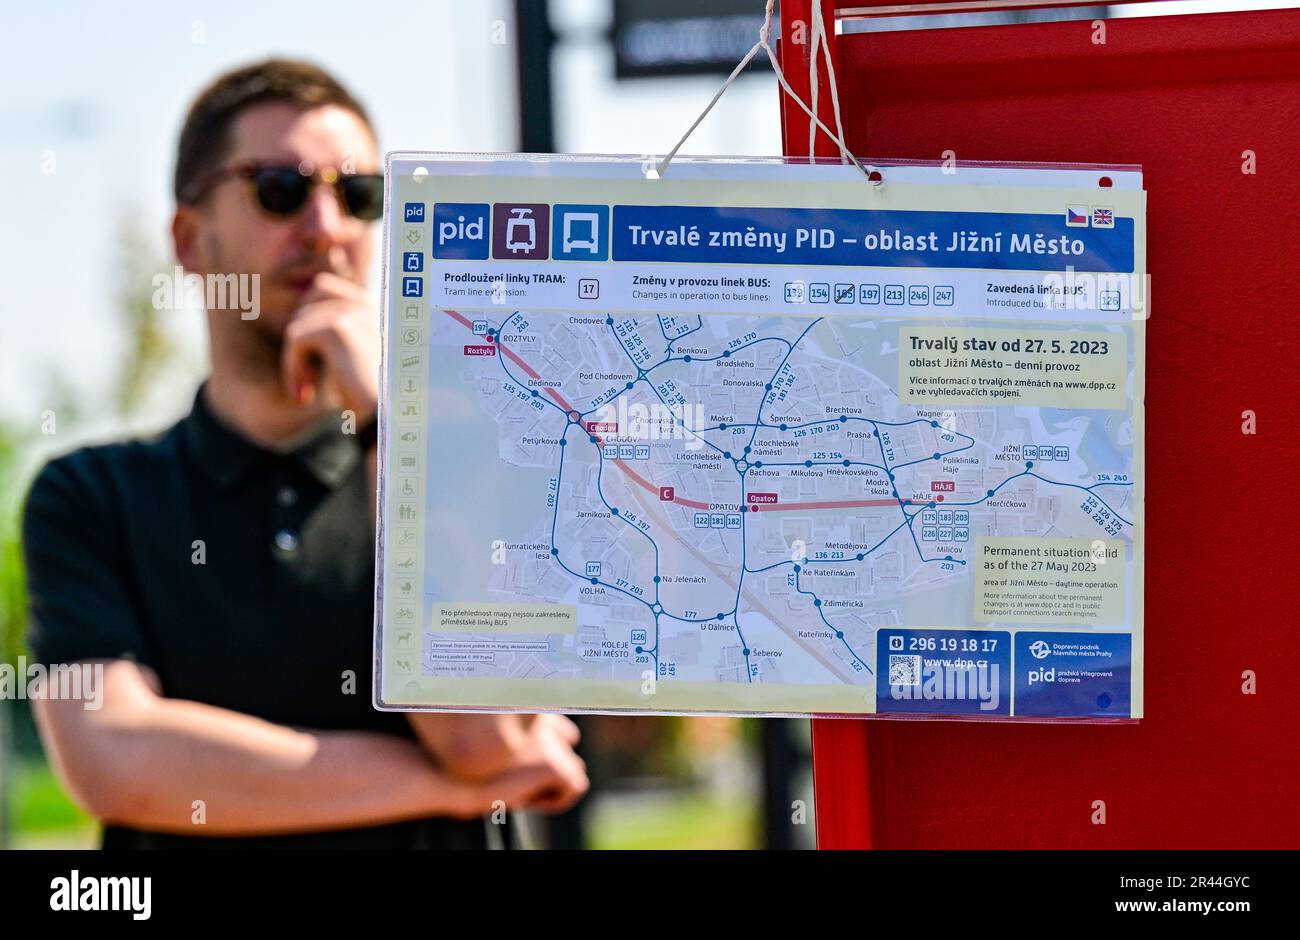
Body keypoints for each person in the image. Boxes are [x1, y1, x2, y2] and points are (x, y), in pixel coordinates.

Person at [21, 58, 588, 849]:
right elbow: (117, 762)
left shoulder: (495, 454)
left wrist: (389, 420)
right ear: (188, 239)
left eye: (358, 196)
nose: (326, 228)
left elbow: (478, 740)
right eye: (280, 189)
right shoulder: (89, 496)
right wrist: (439, 790)